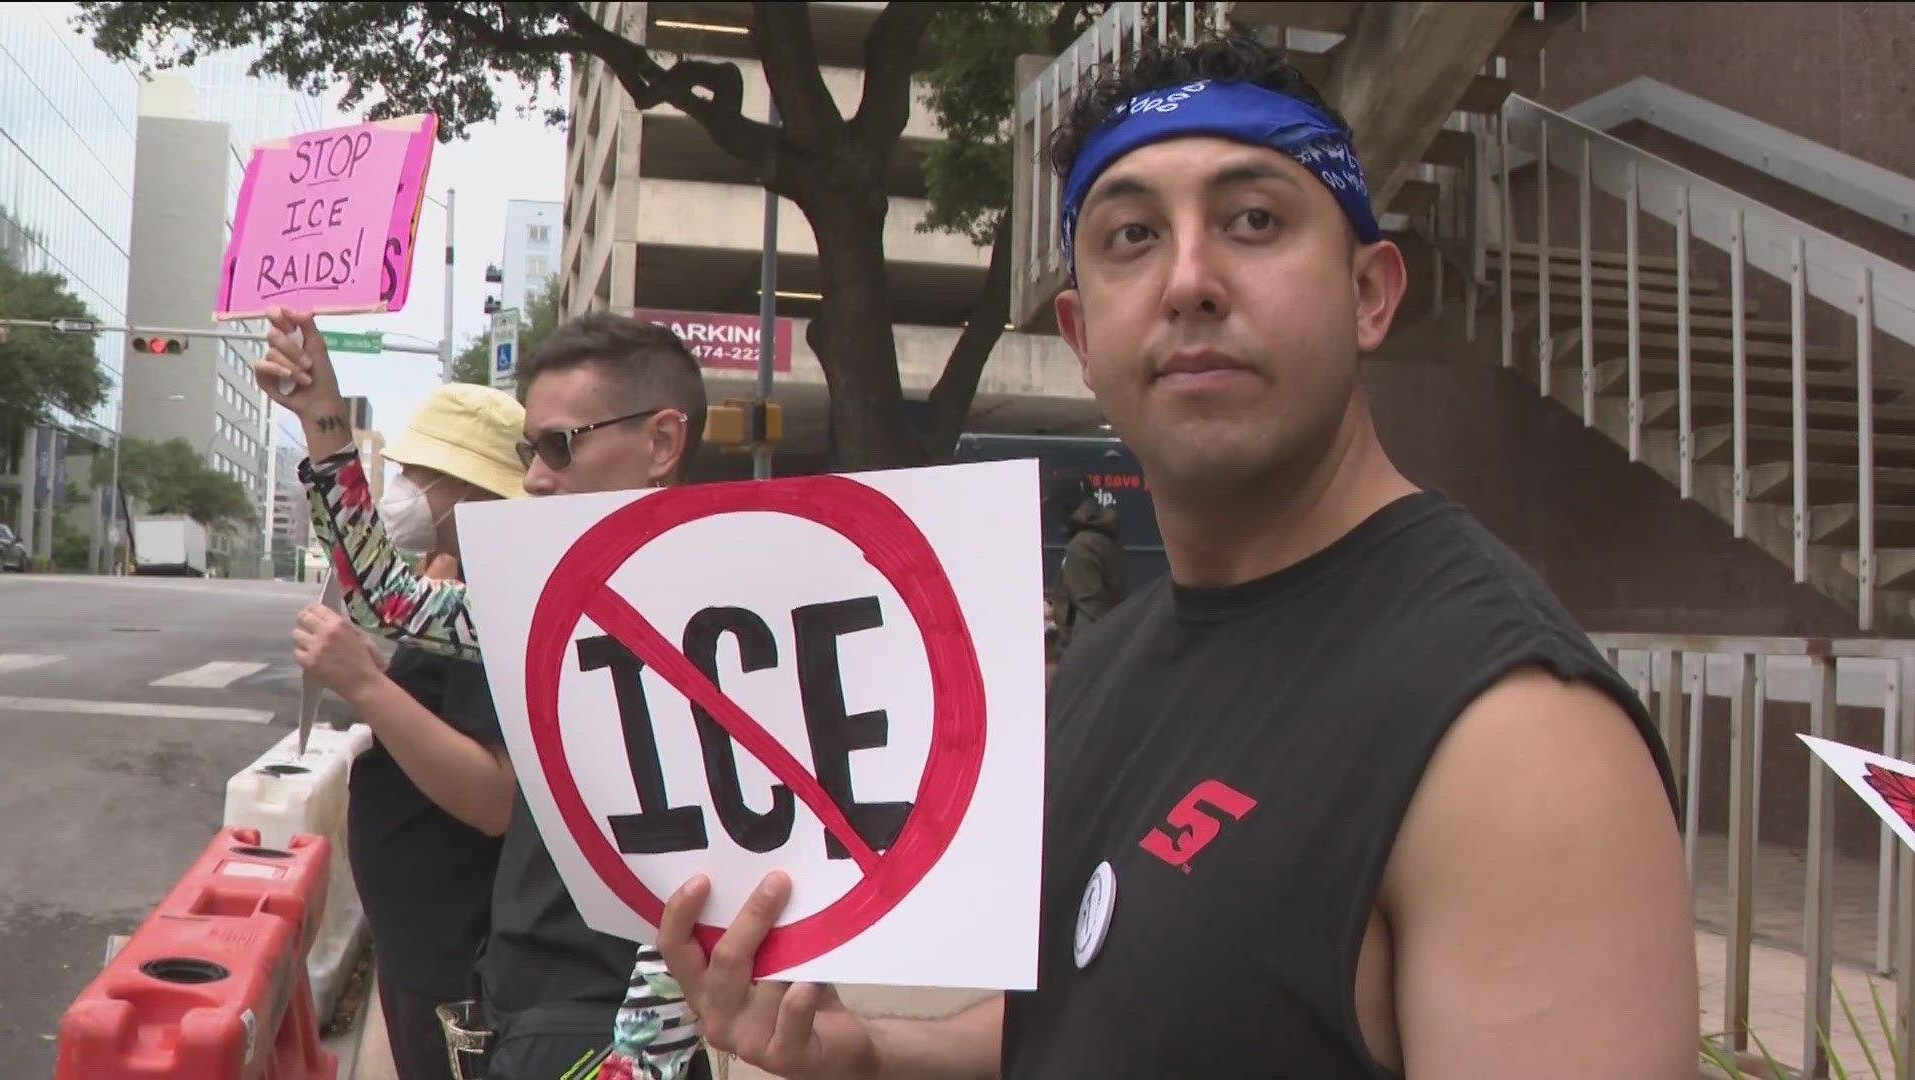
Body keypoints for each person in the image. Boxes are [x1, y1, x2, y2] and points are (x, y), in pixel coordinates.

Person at [653, 35, 1697, 1080]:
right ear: (1082, 337)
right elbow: (1115, 1010)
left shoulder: (1516, 734)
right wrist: (873, 1053)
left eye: (1254, 221)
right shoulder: (1104, 671)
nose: (1190, 280)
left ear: (1370, 294)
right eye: (1133, 236)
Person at [259, 310, 713, 1080]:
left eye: (559, 445)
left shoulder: (737, 614)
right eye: (526, 450)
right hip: (519, 1003)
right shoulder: (547, 605)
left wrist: (636, 1057)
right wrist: (323, 416)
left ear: (661, 443)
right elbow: (382, 598)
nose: (535, 477)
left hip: (607, 1035)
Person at [291, 382, 526, 1080]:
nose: (403, 488)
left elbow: (494, 799)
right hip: (427, 941)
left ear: (469, 487)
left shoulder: (504, 595)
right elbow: (377, 589)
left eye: (417, 476)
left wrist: (366, 686)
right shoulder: (461, 587)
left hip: (455, 952)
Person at [1048, 479, 1125, 652]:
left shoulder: (1082, 545)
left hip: (1086, 651)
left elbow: (1091, 609)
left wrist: (1078, 656)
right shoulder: (1103, 537)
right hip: (1104, 642)